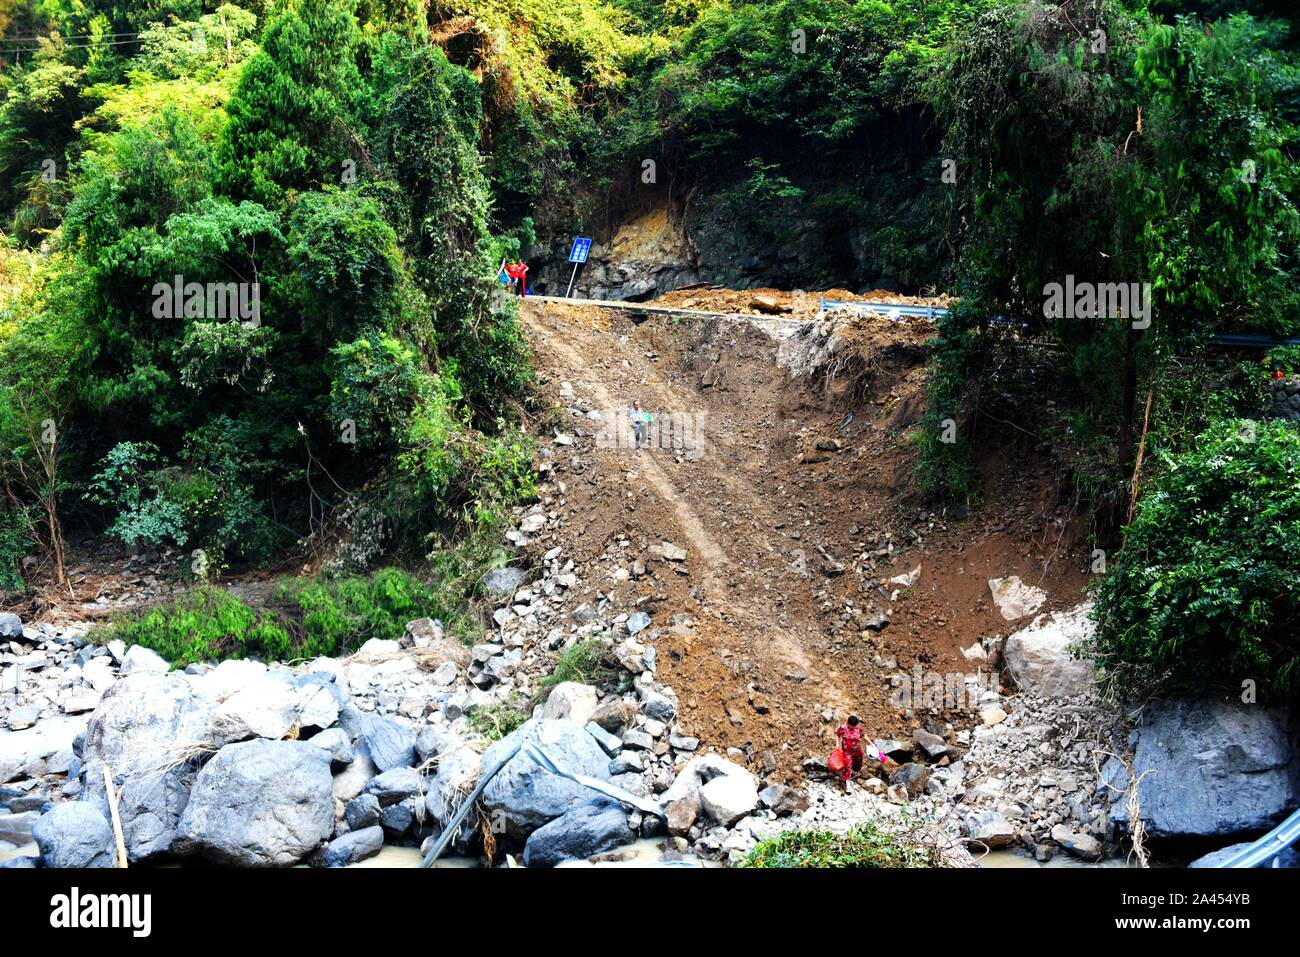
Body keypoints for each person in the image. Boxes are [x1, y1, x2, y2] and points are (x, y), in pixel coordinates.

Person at [834, 715, 866, 791]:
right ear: (848, 723)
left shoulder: (858, 728)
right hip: (847, 751)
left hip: (857, 750)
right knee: (848, 766)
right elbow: (837, 735)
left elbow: (864, 736)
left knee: (858, 762)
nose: (853, 727)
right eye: (852, 726)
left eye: (854, 726)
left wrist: (871, 744)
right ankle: (848, 785)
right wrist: (837, 744)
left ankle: (855, 772)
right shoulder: (843, 728)